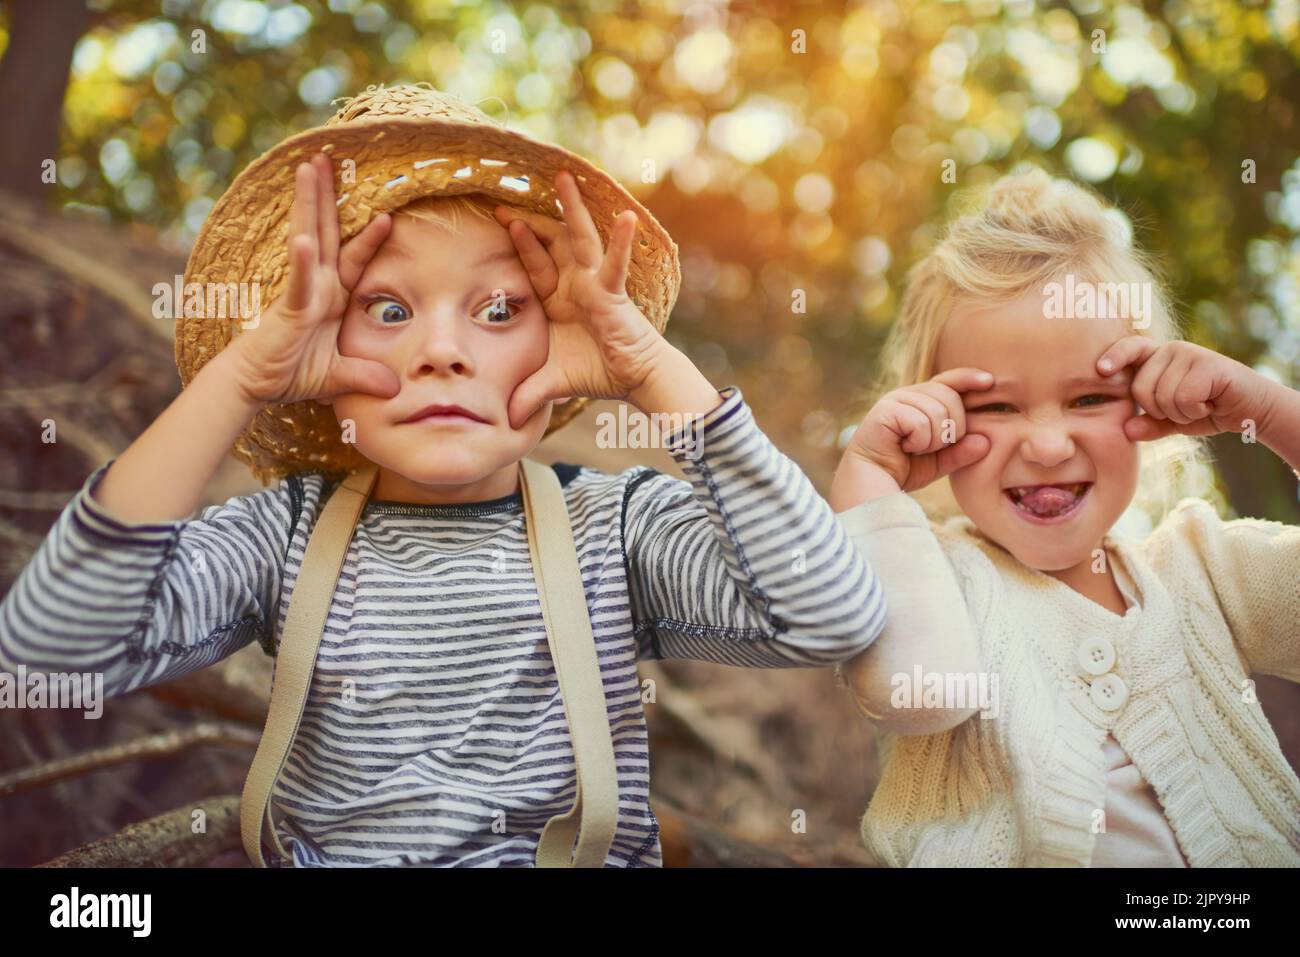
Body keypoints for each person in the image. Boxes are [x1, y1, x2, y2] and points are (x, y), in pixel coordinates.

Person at [0, 84, 886, 867]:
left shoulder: (617, 530)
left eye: (500, 309)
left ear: (560, 343)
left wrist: (649, 367)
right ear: (324, 355)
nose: (442, 352)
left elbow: (833, 611)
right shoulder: (285, 535)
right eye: (387, 309)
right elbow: (44, 655)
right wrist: (240, 377)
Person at [829, 168, 1300, 866]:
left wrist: (1269, 409)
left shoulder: (1206, 568)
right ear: (933, 417)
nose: (1048, 446)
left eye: (1087, 400)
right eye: (997, 405)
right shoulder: (942, 581)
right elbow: (905, 690)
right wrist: (866, 471)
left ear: (1153, 403)